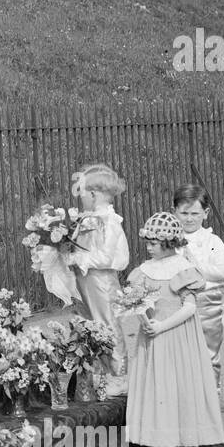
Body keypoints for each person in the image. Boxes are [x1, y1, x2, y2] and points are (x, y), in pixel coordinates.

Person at [123, 213, 224, 447]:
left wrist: (162, 326)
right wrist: (145, 321)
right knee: (156, 382)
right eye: (147, 243)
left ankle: (180, 434)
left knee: (177, 382)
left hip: (177, 334)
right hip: (151, 334)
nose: (148, 248)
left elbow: (189, 308)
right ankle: (154, 435)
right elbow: (136, 302)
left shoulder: (183, 268)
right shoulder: (144, 270)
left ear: (169, 243)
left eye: (153, 243)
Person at [67, 163, 130, 397]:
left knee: (108, 325)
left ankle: (119, 376)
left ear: (93, 194)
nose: (80, 197)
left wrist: (77, 257)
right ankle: (98, 373)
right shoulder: (90, 218)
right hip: (87, 281)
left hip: (102, 282)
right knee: (90, 324)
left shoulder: (108, 221)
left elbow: (106, 257)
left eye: (81, 193)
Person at [172, 184, 224, 390]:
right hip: (176, 303)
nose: (189, 218)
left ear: (205, 213)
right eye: (184, 213)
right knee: (178, 352)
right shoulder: (169, 241)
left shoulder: (212, 241)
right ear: (174, 212)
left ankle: (210, 396)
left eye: (194, 213)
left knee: (209, 352)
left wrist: (196, 269)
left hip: (207, 303)